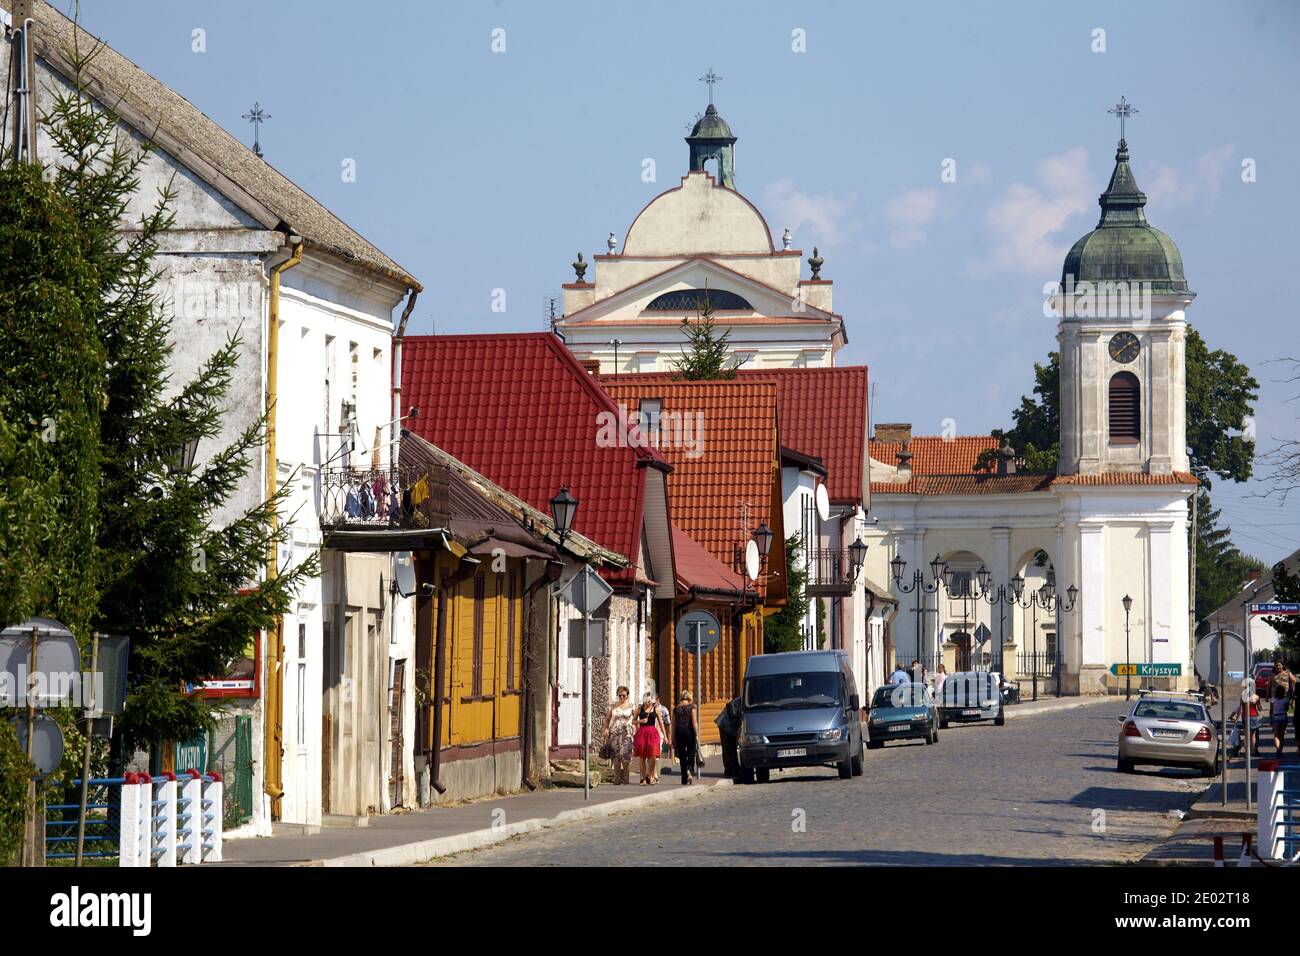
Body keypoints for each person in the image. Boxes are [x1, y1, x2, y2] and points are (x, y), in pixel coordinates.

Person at [602, 685, 636, 784]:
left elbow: (635, 720)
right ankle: (617, 777)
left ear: (627, 696)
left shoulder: (631, 706)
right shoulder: (613, 706)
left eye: (623, 696)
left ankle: (626, 776)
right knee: (616, 756)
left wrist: (636, 731)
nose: (621, 697)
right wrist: (605, 729)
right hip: (615, 734)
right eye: (620, 695)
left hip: (627, 735)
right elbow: (607, 720)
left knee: (625, 756)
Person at [633, 694, 668, 784]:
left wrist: (665, 736)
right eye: (647, 701)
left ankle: (651, 776)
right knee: (642, 757)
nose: (649, 703)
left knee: (653, 755)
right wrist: (641, 721)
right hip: (642, 733)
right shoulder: (639, 709)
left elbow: (661, 723)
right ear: (644, 700)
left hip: (653, 733)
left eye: (650, 701)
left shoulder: (655, 709)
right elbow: (633, 721)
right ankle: (643, 778)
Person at [673, 691, 700, 785]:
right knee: (691, 754)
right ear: (689, 698)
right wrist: (697, 735)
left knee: (682, 756)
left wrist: (673, 738)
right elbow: (694, 722)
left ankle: (684, 779)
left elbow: (674, 724)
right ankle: (689, 772)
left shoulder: (676, 709)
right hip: (689, 732)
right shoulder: (692, 707)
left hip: (679, 733)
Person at [715, 696, 743, 778]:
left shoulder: (741, 700)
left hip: (726, 724)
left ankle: (729, 770)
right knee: (729, 748)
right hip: (726, 725)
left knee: (728, 748)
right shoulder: (743, 702)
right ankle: (733, 771)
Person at [1270, 682, 1290, 757]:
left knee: (1276, 735)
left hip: (1276, 717)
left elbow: (1271, 711)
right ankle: (1280, 751)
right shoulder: (1285, 699)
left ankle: (1278, 750)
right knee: (1281, 736)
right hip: (1283, 717)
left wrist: (1271, 720)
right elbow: (1287, 709)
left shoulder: (1273, 700)